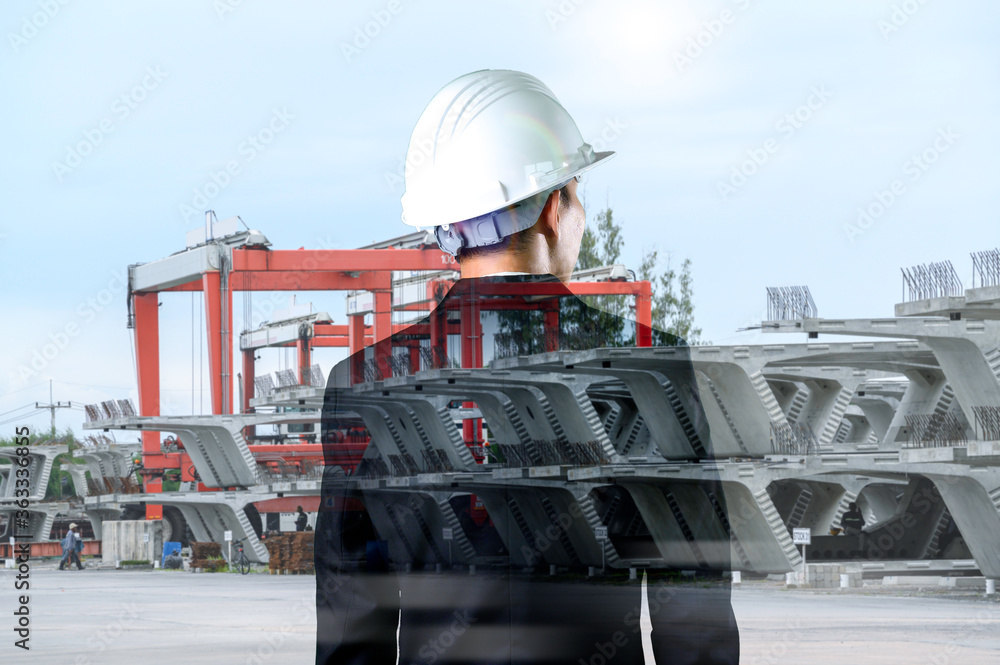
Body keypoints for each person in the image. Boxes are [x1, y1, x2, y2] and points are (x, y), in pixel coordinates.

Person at [316, 70, 739, 664]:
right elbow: (693, 620)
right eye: (576, 193)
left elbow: (350, 623)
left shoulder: (364, 385)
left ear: (447, 230)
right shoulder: (653, 372)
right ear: (551, 209)